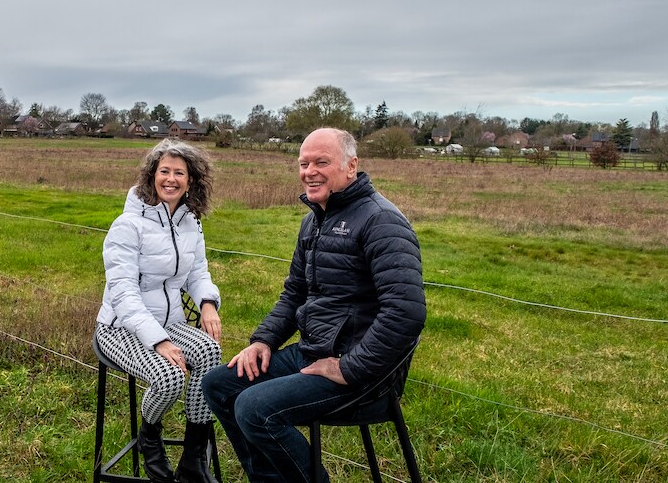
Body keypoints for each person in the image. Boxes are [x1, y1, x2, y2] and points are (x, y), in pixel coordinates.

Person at [202, 127, 426, 483]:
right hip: (314, 353)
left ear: (351, 166)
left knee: (254, 408)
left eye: (322, 162)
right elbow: (295, 292)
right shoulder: (314, 221)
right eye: (303, 163)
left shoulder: (381, 221)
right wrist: (263, 342)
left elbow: (406, 312)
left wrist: (349, 368)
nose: (309, 172)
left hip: (365, 376)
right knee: (220, 384)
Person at [95, 138, 223, 483]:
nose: (171, 178)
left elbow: (197, 272)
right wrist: (159, 341)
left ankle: (193, 459)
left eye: (179, 172)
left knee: (210, 353)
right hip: (121, 327)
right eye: (164, 170)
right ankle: (149, 439)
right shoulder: (128, 224)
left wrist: (208, 304)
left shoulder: (190, 222)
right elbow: (123, 293)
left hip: (171, 320)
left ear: (190, 180)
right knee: (169, 377)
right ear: (151, 176)